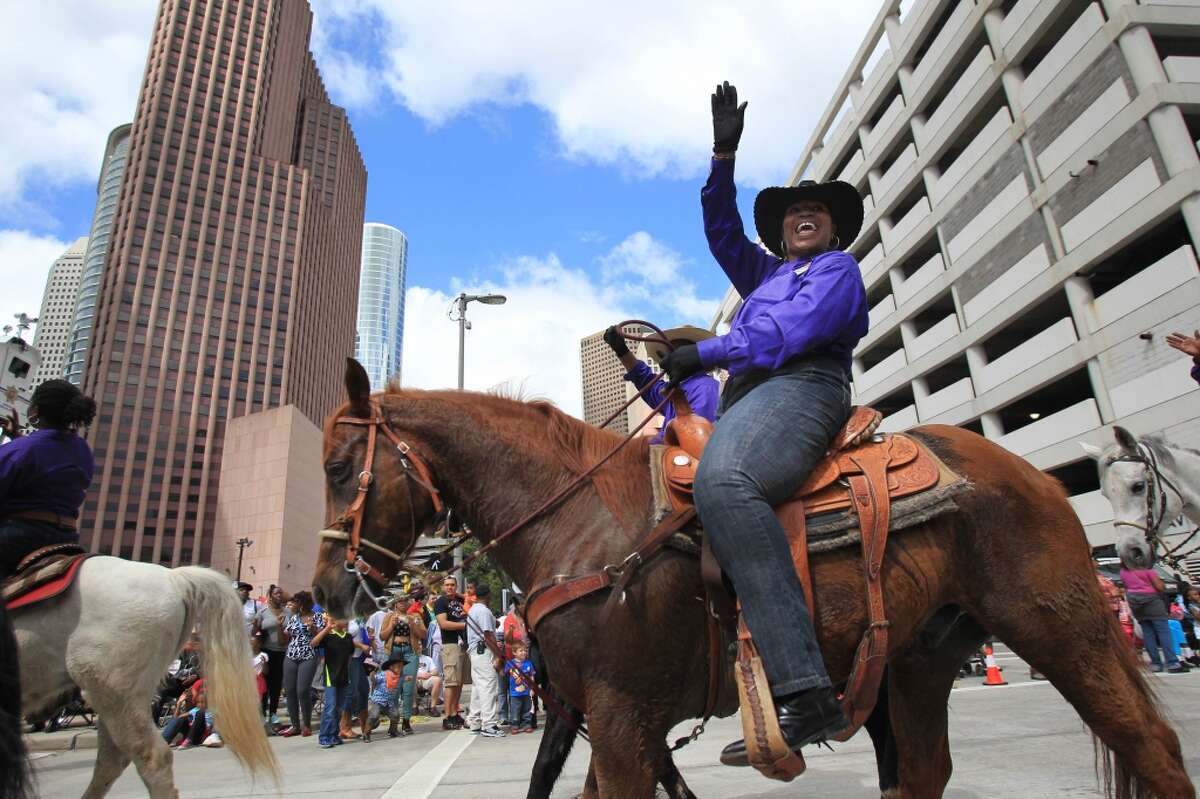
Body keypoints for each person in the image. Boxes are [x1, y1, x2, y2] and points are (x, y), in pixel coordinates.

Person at [658, 81, 869, 766]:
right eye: (794, 212)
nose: (805, 215)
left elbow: (792, 331)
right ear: (779, 232)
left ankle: (806, 689)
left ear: (833, 229)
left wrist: (709, 351)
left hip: (805, 386)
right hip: (753, 396)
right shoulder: (763, 272)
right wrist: (724, 155)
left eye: (817, 211)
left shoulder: (836, 269)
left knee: (725, 480)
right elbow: (721, 228)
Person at [0, 380, 96, 578]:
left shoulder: (22, 449)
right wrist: (17, 437)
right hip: (66, 536)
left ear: (35, 411)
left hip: (18, 536)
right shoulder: (81, 448)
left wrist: (16, 443)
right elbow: (48, 458)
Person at [603, 324, 720, 443]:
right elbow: (646, 382)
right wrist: (622, 350)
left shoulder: (705, 388)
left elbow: (696, 436)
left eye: (677, 352)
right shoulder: (674, 390)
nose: (671, 358)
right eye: (669, 353)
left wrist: (645, 445)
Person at [1120, 562, 1190, 673]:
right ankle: (1172, 663)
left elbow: (1126, 586)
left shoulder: (1123, 571)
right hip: (1151, 601)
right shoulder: (1146, 569)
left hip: (1135, 602)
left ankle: (1156, 664)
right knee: (1163, 631)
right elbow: (1159, 586)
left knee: (1148, 633)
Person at [311, 614, 368, 748]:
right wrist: (327, 628)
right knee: (330, 707)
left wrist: (347, 675)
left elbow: (349, 657)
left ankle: (334, 734)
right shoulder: (329, 636)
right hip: (331, 676)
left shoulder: (348, 638)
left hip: (343, 677)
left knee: (339, 708)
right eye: (343, 619)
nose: (346, 622)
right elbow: (314, 643)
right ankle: (324, 736)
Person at [280, 591, 323, 737]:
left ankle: (307, 725)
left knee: (302, 691)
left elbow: (321, 637)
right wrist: (280, 628)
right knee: (290, 691)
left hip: (308, 655)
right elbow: (285, 639)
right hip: (291, 655)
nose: (293, 604)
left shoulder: (317, 617)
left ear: (303, 603)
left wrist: (313, 629)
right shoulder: (294, 618)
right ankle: (295, 726)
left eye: (296, 601)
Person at [464, 582, 504, 737]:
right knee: (488, 686)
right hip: (484, 650)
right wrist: (499, 655)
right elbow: (488, 635)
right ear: (488, 595)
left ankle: (474, 721)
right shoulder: (484, 611)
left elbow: (492, 625)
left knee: (478, 687)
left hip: (475, 652)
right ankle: (489, 724)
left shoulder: (474, 609)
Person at [381, 595, 425, 735]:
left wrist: (413, 625)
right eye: (400, 601)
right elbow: (382, 636)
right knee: (393, 687)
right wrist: (391, 626)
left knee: (408, 687)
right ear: (395, 603)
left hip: (410, 651)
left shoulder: (414, 616)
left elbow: (423, 634)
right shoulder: (389, 616)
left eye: (405, 601)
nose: (403, 603)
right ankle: (394, 722)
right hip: (394, 650)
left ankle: (406, 720)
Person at [434, 575, 468, 730]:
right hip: (450, 644)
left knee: (459, 683)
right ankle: (447, 717)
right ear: (443, 587)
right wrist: (463, 626)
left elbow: (471, 599)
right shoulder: (441, 602)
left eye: (452, 585)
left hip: (463, 644)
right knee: (451, 682)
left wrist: (462, 596)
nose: (449, 587)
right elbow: (443, 623)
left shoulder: (460, 601)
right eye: (447, 585)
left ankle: (455, 713)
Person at [253, 584, 290, 726]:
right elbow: (255, 631)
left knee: (276, 684)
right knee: (265, 684)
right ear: (270, 595)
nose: (279, 595)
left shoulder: (288, 613)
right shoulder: (262, 612)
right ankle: (262, 713)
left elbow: (291, 631)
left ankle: (273, 713)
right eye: (276, 593)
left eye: (281, 593)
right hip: (266, 651)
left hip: (282, 652)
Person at [366, 657, 405, 740]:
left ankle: (392, 730)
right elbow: (375, 680)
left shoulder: (398, 677)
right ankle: (366, 733)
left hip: (388, 702)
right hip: (378, 701)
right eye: (398, 666)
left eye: (402, 667)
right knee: (374, 716)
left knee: (395, 715)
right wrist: (372, 677)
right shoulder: (384, 674)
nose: (400, 668)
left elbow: (402, 680)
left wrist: (407, 678)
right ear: (391, 667)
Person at [504, 642, 536, 733]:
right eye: (520, 651)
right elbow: (505, 674)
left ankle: (527, 724)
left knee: (527, 709)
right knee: (515, 709)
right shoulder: (510, 663)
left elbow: (532, 676)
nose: (523, 652)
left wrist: (533, 688)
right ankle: (515, 725)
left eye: (525, 650)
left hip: (526, 692)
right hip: (514, 693)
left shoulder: (528, 663)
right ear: (514, 653)